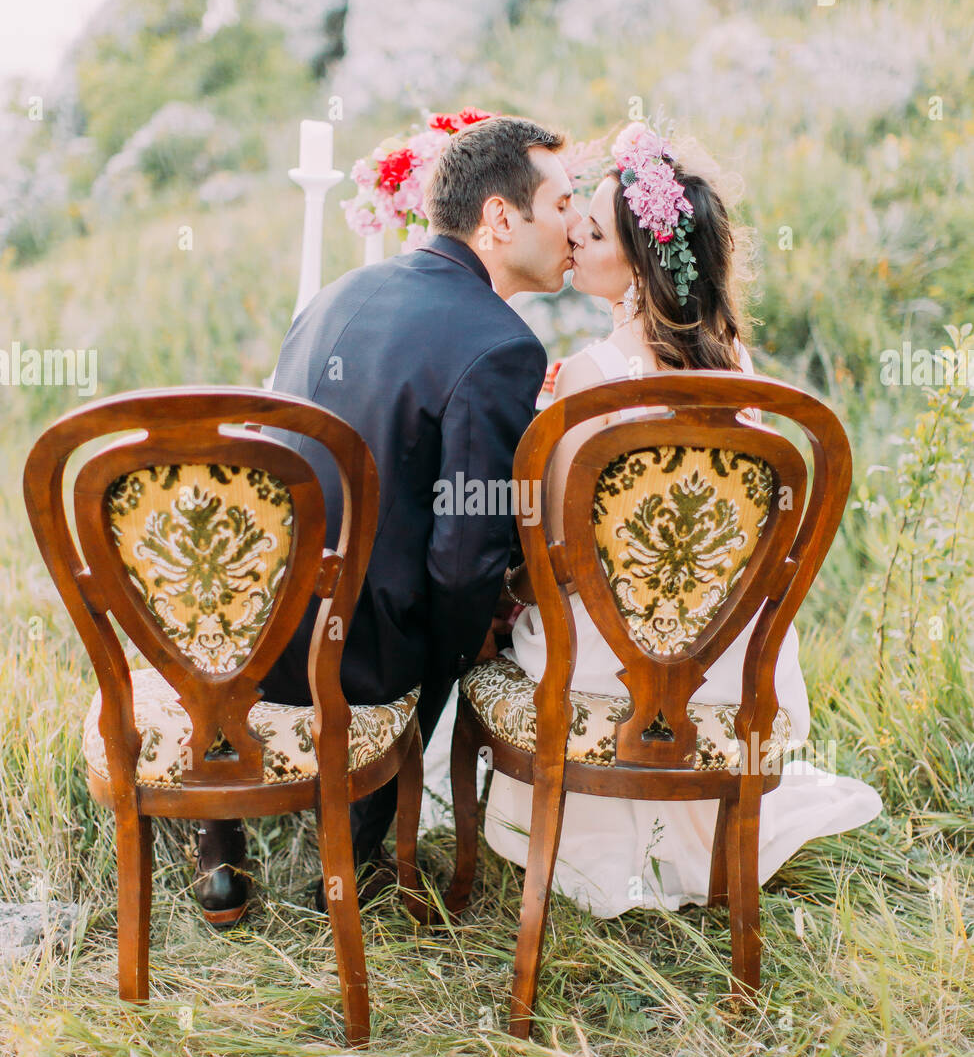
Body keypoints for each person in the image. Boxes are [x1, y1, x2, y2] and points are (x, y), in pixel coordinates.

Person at [484, 122, 883, 917]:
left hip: (603, 665)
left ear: (633, 267)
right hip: (723, 663)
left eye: (591, 231)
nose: (572, 234)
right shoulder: (743, 375)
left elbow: (556, 545)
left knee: (504, 613)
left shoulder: (591, 382)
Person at [193, 115, 583, 923]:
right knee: (460, 614)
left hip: (242, 632)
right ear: (500, 219)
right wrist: (474, 640)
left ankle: (219, 834)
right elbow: (461, 558)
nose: (575, 226)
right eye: (562, 204)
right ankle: (360, 842)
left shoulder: (337, 292)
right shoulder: (501, 345)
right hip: (353, 665)